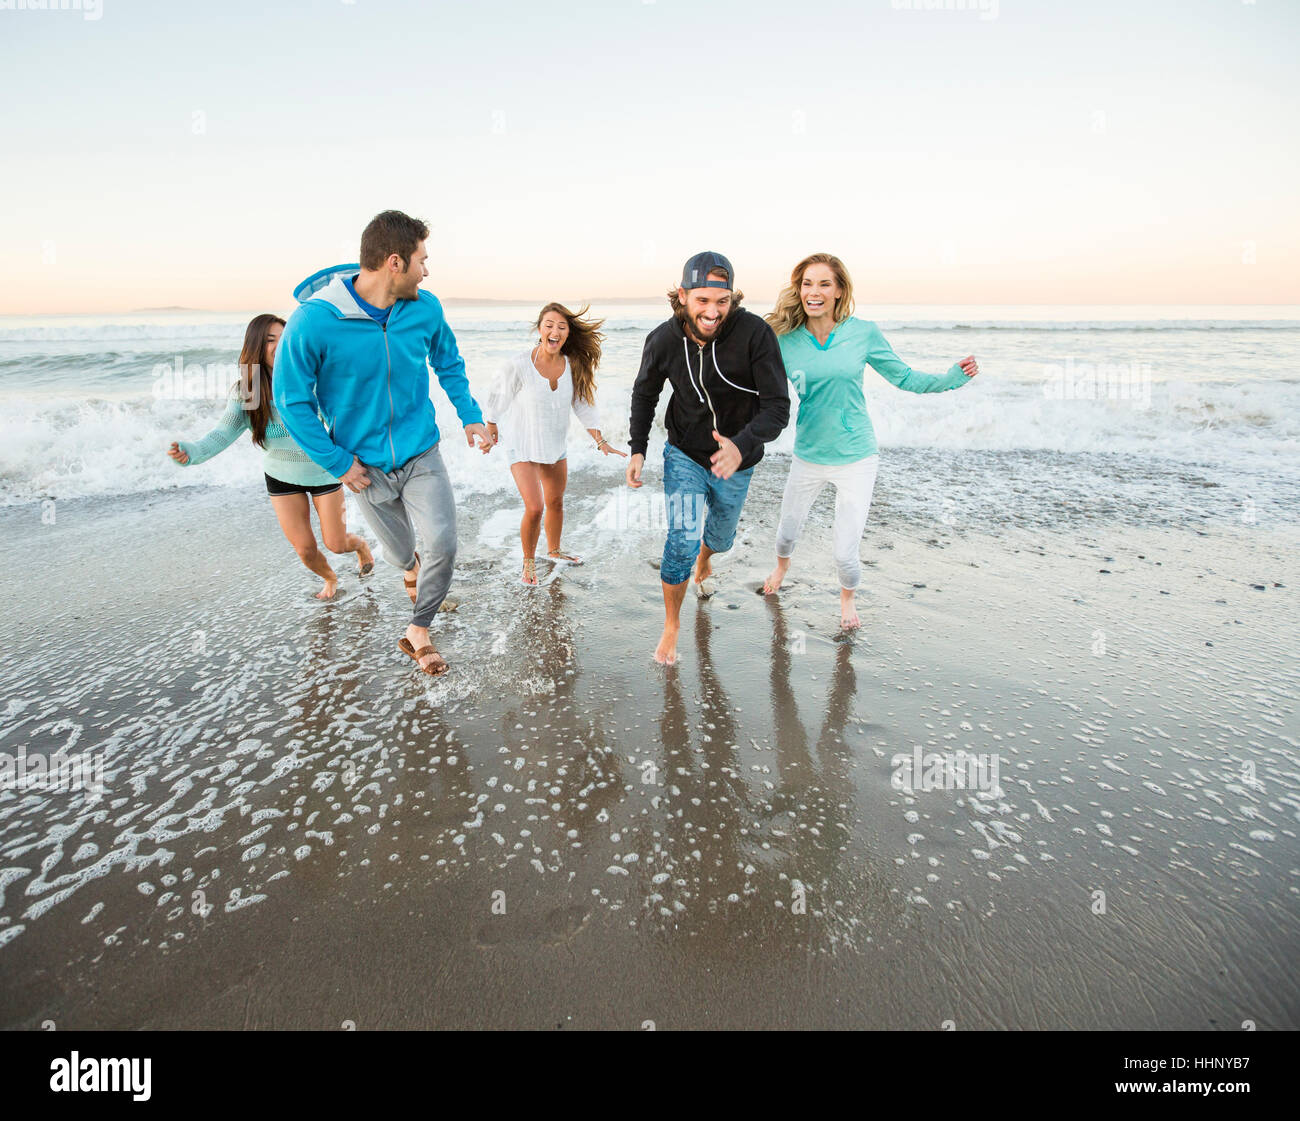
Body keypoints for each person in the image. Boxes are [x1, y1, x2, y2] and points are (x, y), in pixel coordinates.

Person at [272, 211, 492, 677]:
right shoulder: (315, 321)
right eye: (421, 260)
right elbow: (290, 401)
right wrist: (337, 463)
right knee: (401, 554)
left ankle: (419, 631)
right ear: (395, 263)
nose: (426, 271)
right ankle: (410, 573)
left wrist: (470, 416)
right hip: (362, 468)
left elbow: (448, 363)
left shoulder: (425, 309)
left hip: (420, 453)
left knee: (445, 544)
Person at [761, 252, 980, 629]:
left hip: (856, 457)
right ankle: (782, 569)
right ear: (798, 290)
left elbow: (904, 377)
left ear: (839, 290)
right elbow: (756, 386)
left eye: (824, 284)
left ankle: (848, 599)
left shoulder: (863, 333)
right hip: (808, 454)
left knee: (845, 554)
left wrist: (952, 377)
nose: (814, 292)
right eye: (807, 283)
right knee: (785, 535)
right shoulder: (782, 339)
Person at [627, 252, 790, 664]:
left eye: (722, 301)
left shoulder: (755, 334)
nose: (712, 311)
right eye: (702, 300)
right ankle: (672, 624)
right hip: (685, 452)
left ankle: (706, 559)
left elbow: (777, 408)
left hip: (740, 458)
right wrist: (638, 448)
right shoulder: (663, 339)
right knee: (681, 537)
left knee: (719, 538)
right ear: (683, 296)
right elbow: (645, 394)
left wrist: (741, 444)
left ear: (732, 298)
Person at [167, 313, 374, 600]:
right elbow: (223, 433)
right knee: (305, 550)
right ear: (256, 346)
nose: (278, 345)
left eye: (283, 338)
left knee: (337, 544)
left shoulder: (308, 379)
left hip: (324, 472)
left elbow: (344, 417)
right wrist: (191, 452)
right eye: (269, 340)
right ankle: (330, 578)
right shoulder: (250, 389)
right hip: (281, 477)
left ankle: (361, 546)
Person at [484, 302, 626, 586]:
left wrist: (601, 441)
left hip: (553, 445)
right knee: (535, 508)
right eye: (549, 325)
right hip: (522, 445)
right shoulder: (519, 365)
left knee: (556, 502)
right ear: (539, 330)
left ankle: (554, 550)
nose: (555, 331)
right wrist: (490, 427)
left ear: (568, 334)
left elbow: (583, 405)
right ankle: (528, 563)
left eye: (561, 327)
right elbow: (498, 397)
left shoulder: (572, 366)